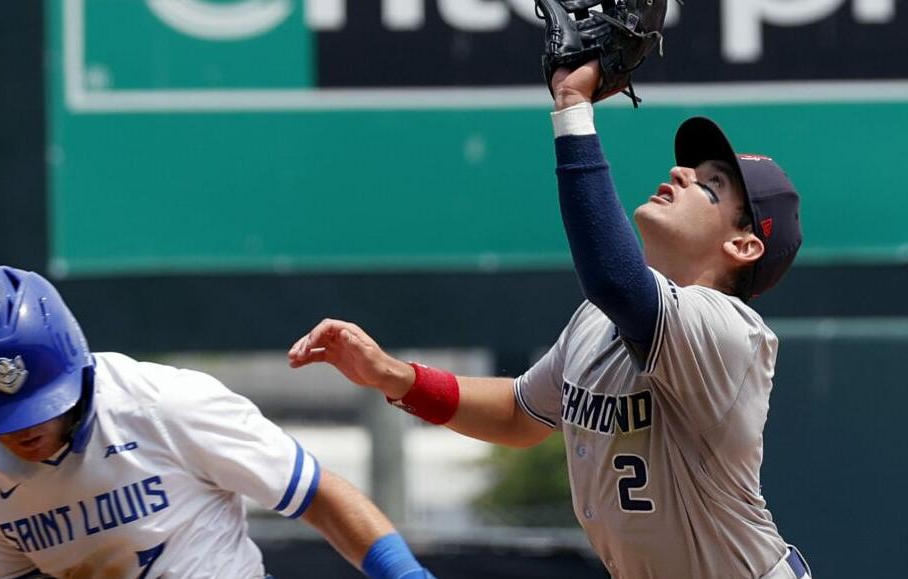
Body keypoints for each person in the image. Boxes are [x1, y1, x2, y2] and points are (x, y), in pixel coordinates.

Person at [288, 61, 812, 579]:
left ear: (742, 244)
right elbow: (521, 413)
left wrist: (573, 109)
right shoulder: (599, 318)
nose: (680, 174)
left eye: (710, 186)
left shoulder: (728, 332)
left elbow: (614, 277)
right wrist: (395, 377)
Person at [0, 265, 436, 579]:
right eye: (2, 417)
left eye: (38, 407)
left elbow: (315, 493)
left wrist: (405, 574)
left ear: (74, 366)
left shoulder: (166, 406)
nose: (22, 430)